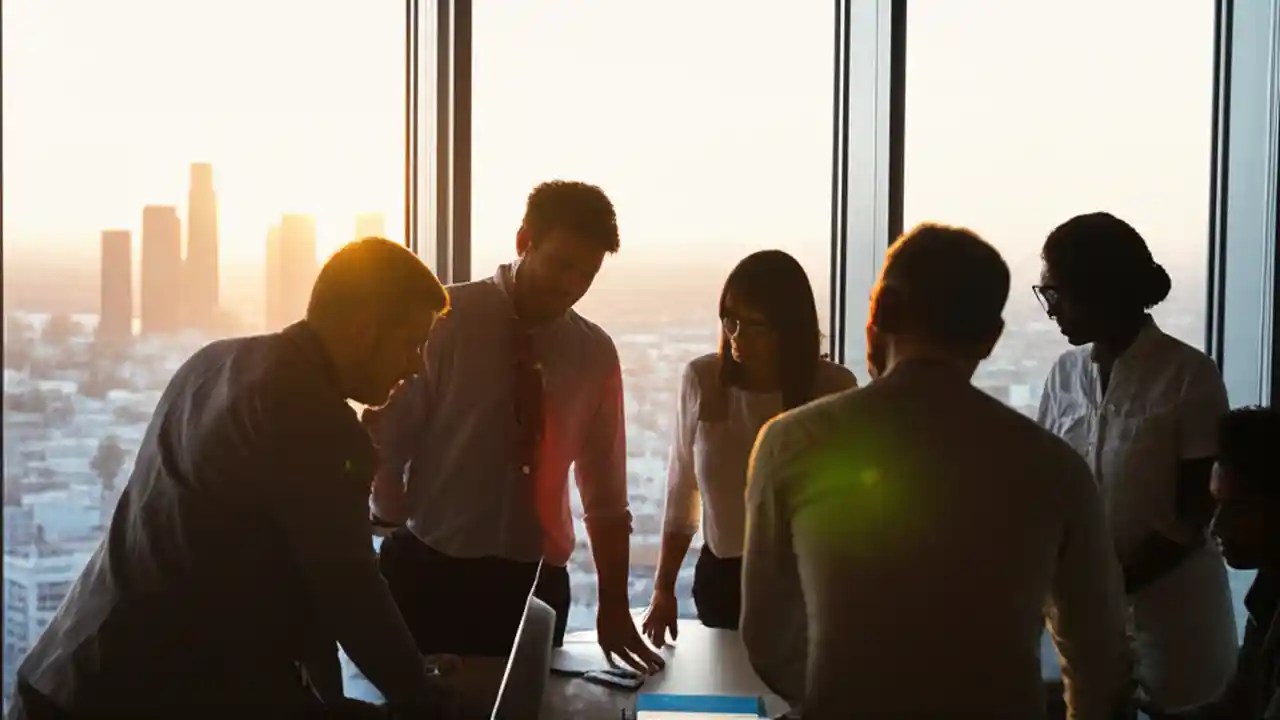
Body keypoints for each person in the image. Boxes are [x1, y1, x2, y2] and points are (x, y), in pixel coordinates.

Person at [7, 238, 450, 719]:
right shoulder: (312, 415)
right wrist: (425, 699)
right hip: (132, 697)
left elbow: (312, 584)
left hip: (67, 676)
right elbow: (351, 590)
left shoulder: (214, 361)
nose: (415, 366)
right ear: (364, 330)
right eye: (412, 343)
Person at [740, 223, 1131, 718]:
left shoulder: (792, 442)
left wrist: (840, 692)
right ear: (989, 339)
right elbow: (1098, 655)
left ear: (880, 311)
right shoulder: (1054, 467)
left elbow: (768, 639)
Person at [367, 181, 664, 674]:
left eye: (587, 274)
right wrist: (392, 519)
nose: (571, 285)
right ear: (524, 241)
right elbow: (389, 441)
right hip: (430, 574)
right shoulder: (445, 320)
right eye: (562, 265)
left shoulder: (593, 354)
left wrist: (613, 604)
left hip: (536, 586)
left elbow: (606, 497)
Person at [1035, 212, 1238, 712]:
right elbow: (1046, 487)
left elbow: (1194, 513)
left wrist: (1106, 587)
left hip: (1175, 620)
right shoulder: (1064, 375)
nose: (1051, 311)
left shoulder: (1189, 375)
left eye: (1055, 295)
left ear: (1098, 290)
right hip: (1087, 627)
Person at [641, 250, 855, 644]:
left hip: (803, 582)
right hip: (722, 578)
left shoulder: (832, 387)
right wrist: (662, 587)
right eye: (729, 320)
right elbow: (682, 487)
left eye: (755, 325)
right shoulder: (704, 380)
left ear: (788, 327)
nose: (736, 335)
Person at [1152, 406, 1280, 719]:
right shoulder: (1270, 585)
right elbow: (1236, 707)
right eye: (1217, 504)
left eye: (1238, 508)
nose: (1216, 526)